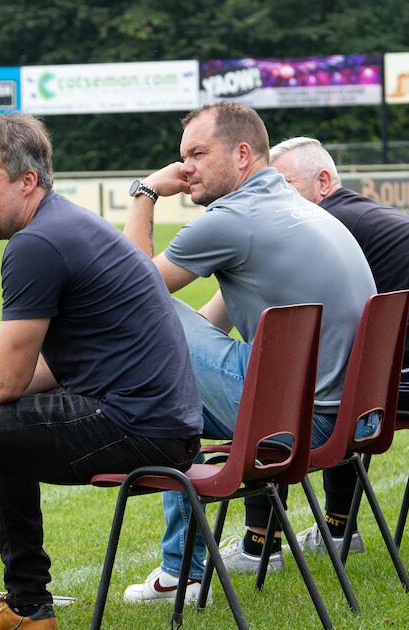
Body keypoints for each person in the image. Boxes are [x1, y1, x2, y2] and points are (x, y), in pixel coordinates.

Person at [0, 112, 204, 630]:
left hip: (140, 431)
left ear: (27, 181)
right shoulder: (61, 223)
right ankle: (29, 610)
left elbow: (6, 379)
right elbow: (31, 375)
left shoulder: (36, 244)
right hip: (162, 428)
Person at [119, 102, 377, 604]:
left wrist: (144, 193)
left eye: (197, 153)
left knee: (141, 322)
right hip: (346, 416)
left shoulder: (233, 219)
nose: (184, 167)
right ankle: (182, 567)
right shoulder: (294, 207)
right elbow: (211, 320)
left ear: (242, 154)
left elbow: (129, 291)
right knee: (166, 355)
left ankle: (184, 573)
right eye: (181, 156)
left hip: (298, 419)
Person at [269, 136, 409, 553]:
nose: (277, 199)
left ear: (322, 182)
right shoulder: (354, 213)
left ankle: (272, 542)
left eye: (285, 185)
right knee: (338, 384)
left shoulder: (331, 225)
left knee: (320, 398)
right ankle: (336, 530)